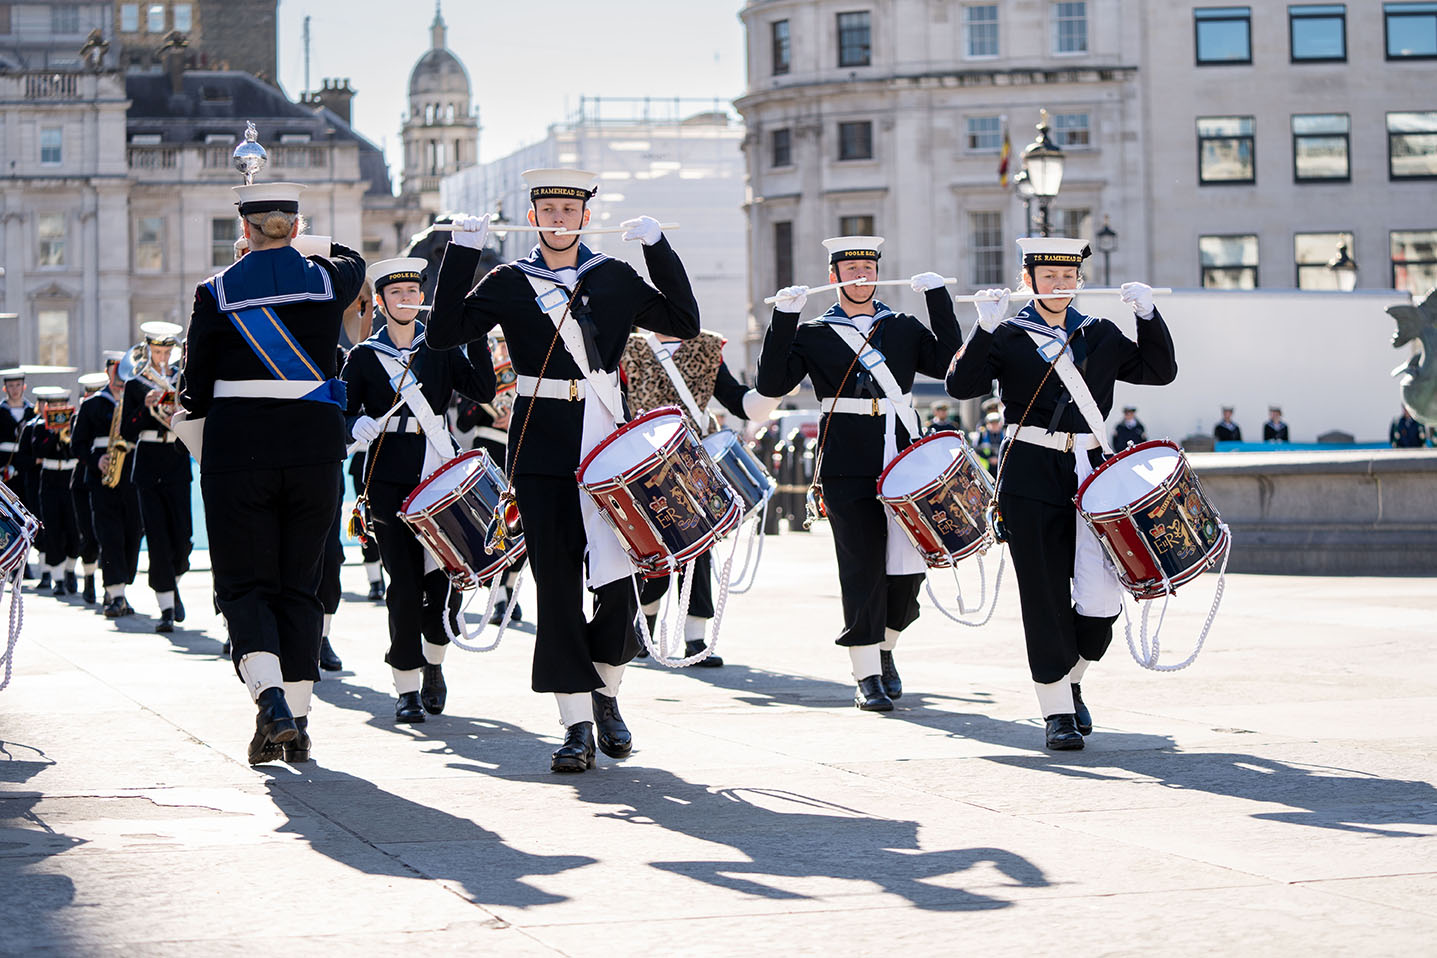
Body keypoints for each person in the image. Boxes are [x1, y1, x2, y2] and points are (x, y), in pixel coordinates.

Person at [426, 167, 700, 772]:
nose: (557, 218)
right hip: (540, 440)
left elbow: (683, 322)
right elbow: (444, 333)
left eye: (568, 209)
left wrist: (659, 249)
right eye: (547, 209)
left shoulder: (615, 277)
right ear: (533, 217)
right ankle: (574, 721)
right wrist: (460, 254)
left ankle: (606, 692)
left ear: (585, 216)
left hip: (607, 440)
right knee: (555, 586)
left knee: (617, 580)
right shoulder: (507, 280)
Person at [946, 236, 1176, 751]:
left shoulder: (1099, 333)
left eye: (1067, 277)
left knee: (1101, 598)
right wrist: (981, 328)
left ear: (1078, 280)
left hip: (1092, 469)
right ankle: (1056, 710)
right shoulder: (1007, 335)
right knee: (1044, 592)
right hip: (1029, 471)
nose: (1059, 285)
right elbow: (961, 386)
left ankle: (1071, 679)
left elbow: (1160, 372)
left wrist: (1148, 315)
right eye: (1048, 277)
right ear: (1028, 279)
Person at [179, 181, 366, 765]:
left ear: (245, 228)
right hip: (313, 450)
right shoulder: (327, 282)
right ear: (295, 224)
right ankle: (299, 723)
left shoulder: (214, 292)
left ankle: (271, 700)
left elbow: (194, 389)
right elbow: (353, 261)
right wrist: (305, 239)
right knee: (300, 582)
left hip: (239, 451)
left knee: (243, 583)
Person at [757, 236, 961, 712]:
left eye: (868, 265)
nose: (860, 275)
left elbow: (952, 367)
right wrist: (784, 319)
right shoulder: (814, 333)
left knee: (908, 576)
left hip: (903, 456)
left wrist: (938, 301)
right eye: (850, 268)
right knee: (861, 567)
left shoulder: (903, 326)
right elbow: (770, 383)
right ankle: (866, 671)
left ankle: (886, 645)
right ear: (834, 277)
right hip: (847, 462)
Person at [342, 256, 494, 723]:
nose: (407, 300)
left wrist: (478, 333)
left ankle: (434, 664)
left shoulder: (441, 348)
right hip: (389, 481)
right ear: (382, 302)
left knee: (444, 584)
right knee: (403, 588)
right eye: (397, 294)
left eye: (414, 293)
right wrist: (355, 424)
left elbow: (484, 390)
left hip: (440, 477)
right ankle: (406, 686)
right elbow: (341, 415)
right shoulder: (364, 357)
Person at [621, 321, 779, 667]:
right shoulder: (627, 348)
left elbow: (736, 400)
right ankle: (643, 626)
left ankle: (695, 638)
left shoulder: (706, 348)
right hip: (642, 467)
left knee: (699, 550)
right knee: (650, 551)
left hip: (693, 461)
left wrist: (774, 387)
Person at [119, 322, 193, 632]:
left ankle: (172, 584)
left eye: (166, 351)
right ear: (148, 350)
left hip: (176, 461)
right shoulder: (136, 383)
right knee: (158, 537)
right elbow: (126, 430)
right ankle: (165, 606)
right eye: (156, 351)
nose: (161, 357)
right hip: (148, 464)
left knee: (183, 538)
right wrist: (144, 407)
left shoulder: (183, 381)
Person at [451, 334, 525, 625]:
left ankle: (509, 587)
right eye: (499, 343)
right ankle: (500, 598)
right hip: (491, 455)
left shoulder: (529, 371)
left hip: (520, 454)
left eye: (507, 342)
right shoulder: (483, 374)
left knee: (523, 526)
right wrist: (482, 405)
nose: (504, 348)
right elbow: (463, 422)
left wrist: (514, 417)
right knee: (494, 526)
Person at [70, 354, 142, 618]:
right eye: (116, 371)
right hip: (102, 478)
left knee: (133, 534)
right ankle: (115, 594)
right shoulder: (92, 405)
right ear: (108, 373)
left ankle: (120, 586)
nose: (120, 377)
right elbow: (77, 445)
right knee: (109, 535)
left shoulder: (136, 400)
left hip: (132, 475)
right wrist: (95, 459)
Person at [20, 387, 81, 596]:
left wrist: (67, 434)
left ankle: (71, 569)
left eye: (60, 405)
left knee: (74, 530)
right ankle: (58, 579)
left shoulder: (74, 424)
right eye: (53, 405)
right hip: (49, 480)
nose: (57, 409)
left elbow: (77, 449)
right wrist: (54, 434)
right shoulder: (39, 427)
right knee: (52, 529)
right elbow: (38, 451)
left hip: (69, 478)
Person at [69, 372, 109, 603]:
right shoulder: (81, 415)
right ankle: (89, 579)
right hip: (83, 481)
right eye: (90, 392)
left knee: (106, 534)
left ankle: (109, 587)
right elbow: (77, 446)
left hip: (102, 480)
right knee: (89, 535)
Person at [1, 368, 38, 580]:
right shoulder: (0, 411)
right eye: (11, 386)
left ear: (24, 387)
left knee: (26, 516)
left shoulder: (31, 412)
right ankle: (8, 559)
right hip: (4, 473)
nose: (15, 390)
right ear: (6, 388)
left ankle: (24, 561)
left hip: (25, 472)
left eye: (18, 386)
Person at [971, 410, 1006, 475]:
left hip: (999, 467)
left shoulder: (1004, 435)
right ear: (987, 424)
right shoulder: (982, 435)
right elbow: (975, 449)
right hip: (986, 468)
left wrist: (997, 458)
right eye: (992, 423)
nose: (994, 425)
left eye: (996, 423)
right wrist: (989, 458)